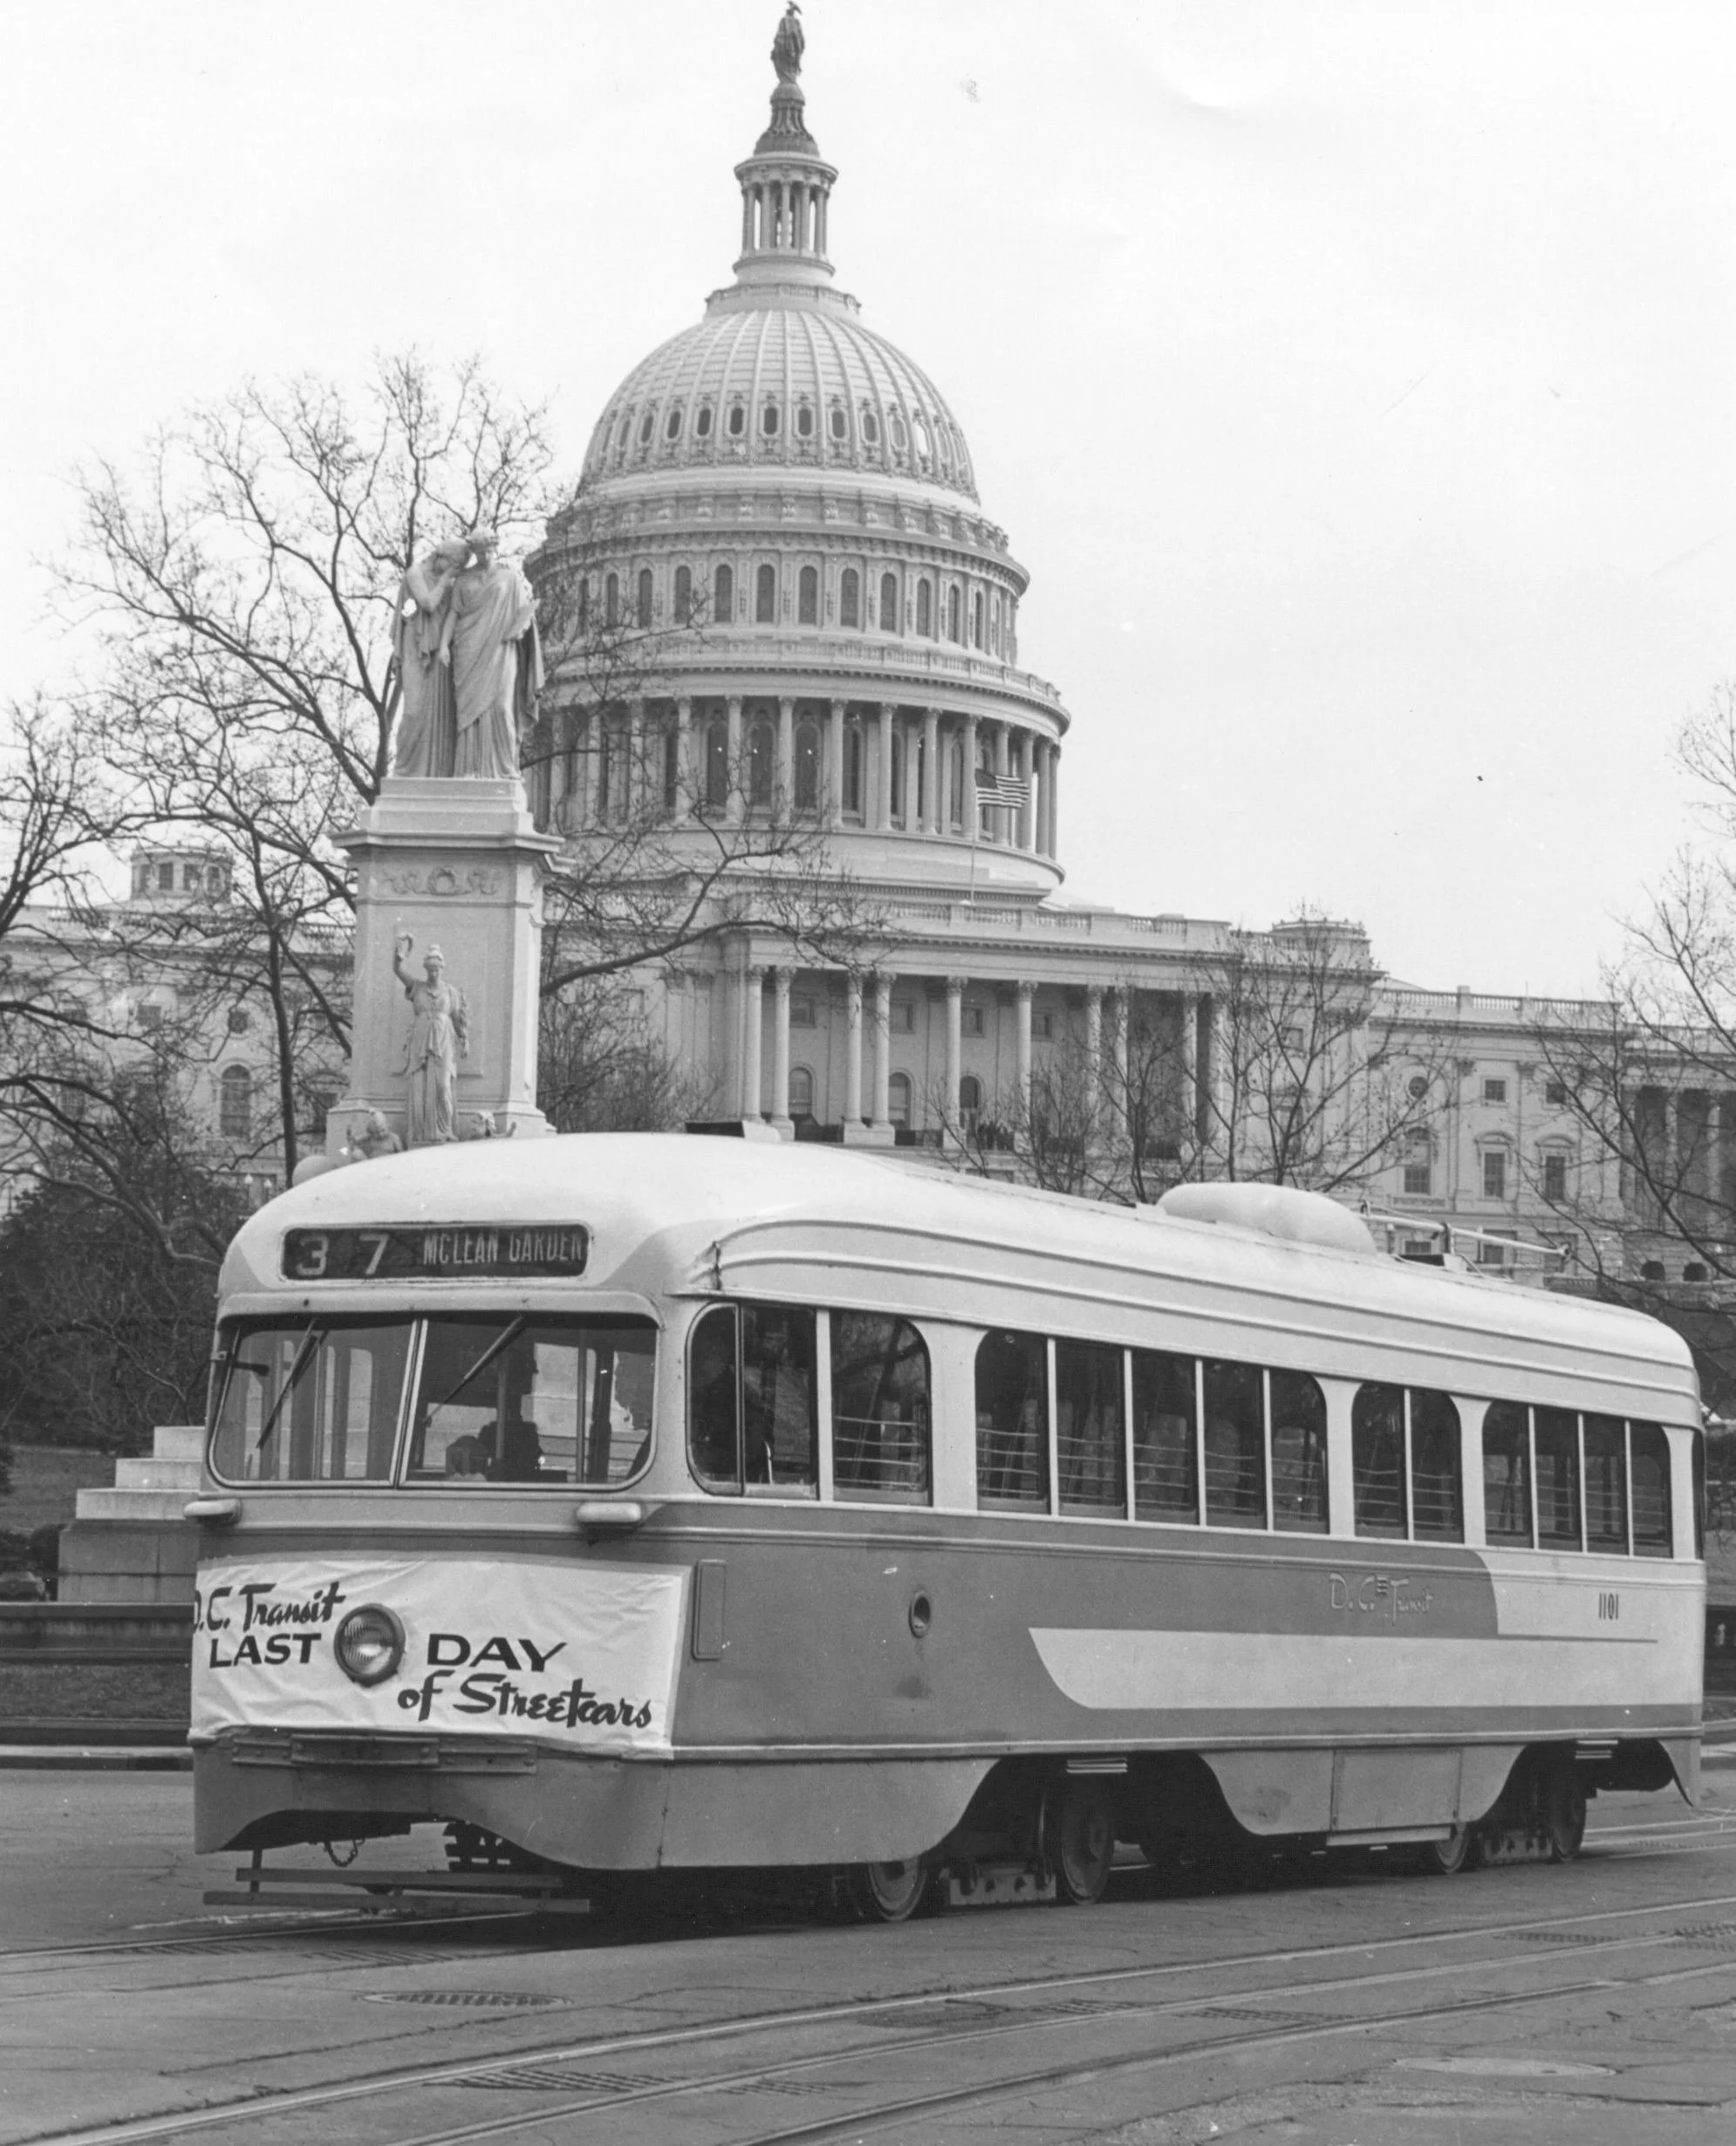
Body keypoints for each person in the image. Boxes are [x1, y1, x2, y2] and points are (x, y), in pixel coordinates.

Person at [448, 528, 543, 780]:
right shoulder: (461, 579)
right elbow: (451, 614)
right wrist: (441, 650)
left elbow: (525, 612)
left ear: (495, 549)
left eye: (488, 551)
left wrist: (521, 626)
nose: (485, 556)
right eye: (479, 552)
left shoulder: (509, 577)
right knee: (469, 713)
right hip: (468, 649)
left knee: (502, 708)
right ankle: (469, 768)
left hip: (503, 648)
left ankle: (504, 767)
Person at [389, 539, 470, 776]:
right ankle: (404, 770)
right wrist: (446, 580)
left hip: (440, 652)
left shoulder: (450, 581)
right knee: (413, 712)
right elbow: (427, 604)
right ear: (440, 556)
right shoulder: (415, 573)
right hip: (415, 648)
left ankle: (435, 772)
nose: (453, 571)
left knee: (439, 716)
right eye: (453, 564)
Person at [393, 933, 468, 1145]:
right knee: (420, 1086)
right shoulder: (417, 987)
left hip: (444, 1041)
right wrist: (399, 956)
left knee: (443, 1086)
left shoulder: (451, 992)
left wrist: (465, 1039)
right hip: (422, 1040)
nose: (434, 973)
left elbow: (457, 1018)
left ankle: (445, 1130)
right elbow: (398, 971)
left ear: (441, 969)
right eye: (430, 970)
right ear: (426, 970)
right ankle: (421, 1132)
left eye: (437, 970)